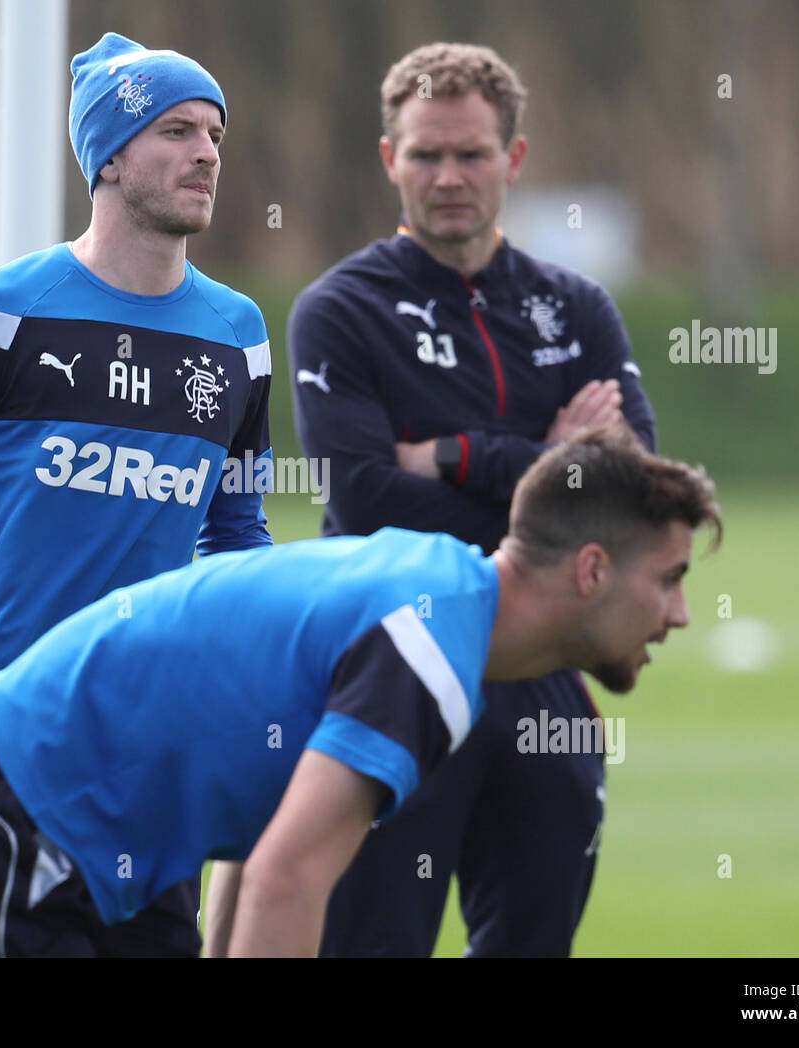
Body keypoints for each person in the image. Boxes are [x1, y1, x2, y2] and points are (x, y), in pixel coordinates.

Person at [0, 428, 720, 957]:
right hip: (0, 819)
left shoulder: (434, 586)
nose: (680, 614)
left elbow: (259, 854)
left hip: (77, 850)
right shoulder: (430, 642)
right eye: (671, 579)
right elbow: (289, 877)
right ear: (592, 570)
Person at [0, 32, 273, 957]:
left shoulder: (237, 337)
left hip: (148, 751)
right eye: (178, 130)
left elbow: (237, 545)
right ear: (109, 156)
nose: (206, 154)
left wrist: (256, 706)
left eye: (216, 136)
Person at [287, 42, 660, 957]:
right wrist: (544, 458)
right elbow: (366, 495)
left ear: (514, 160)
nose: (448, 177)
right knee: (371, 942)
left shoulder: (575, 310)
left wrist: (448, 456)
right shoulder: (339, 310)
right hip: (393, 670)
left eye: (471, 154)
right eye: (425, 155)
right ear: (390, 161)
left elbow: (633, 492)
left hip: (541, 677)